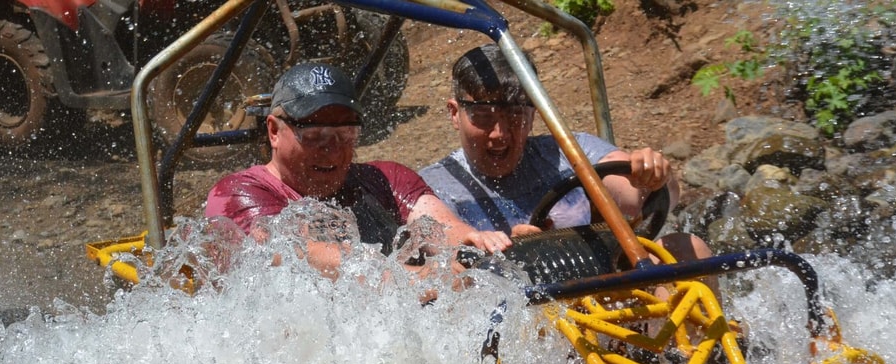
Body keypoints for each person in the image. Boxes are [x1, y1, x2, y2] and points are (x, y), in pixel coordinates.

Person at [205, 62, 511, 279]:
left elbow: (439, 228)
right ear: (274, 131)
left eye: (345, 134)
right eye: (314, 134)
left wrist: (482, 245)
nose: (332, 149)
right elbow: (315, 263)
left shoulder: (386, 180)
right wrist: (427, 280)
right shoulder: (237, 196)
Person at [419, 43, 709, 269]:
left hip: (599, 295)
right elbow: (433, 276)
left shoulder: (571, 152)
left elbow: (642, 198)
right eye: (483, 116)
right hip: (510, 310)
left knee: (687, 248)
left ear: (534, 114)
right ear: (455, 114)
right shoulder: (430, 188)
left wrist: (654, 176)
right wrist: (517, 256)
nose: (500, 134)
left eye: (516, 114)